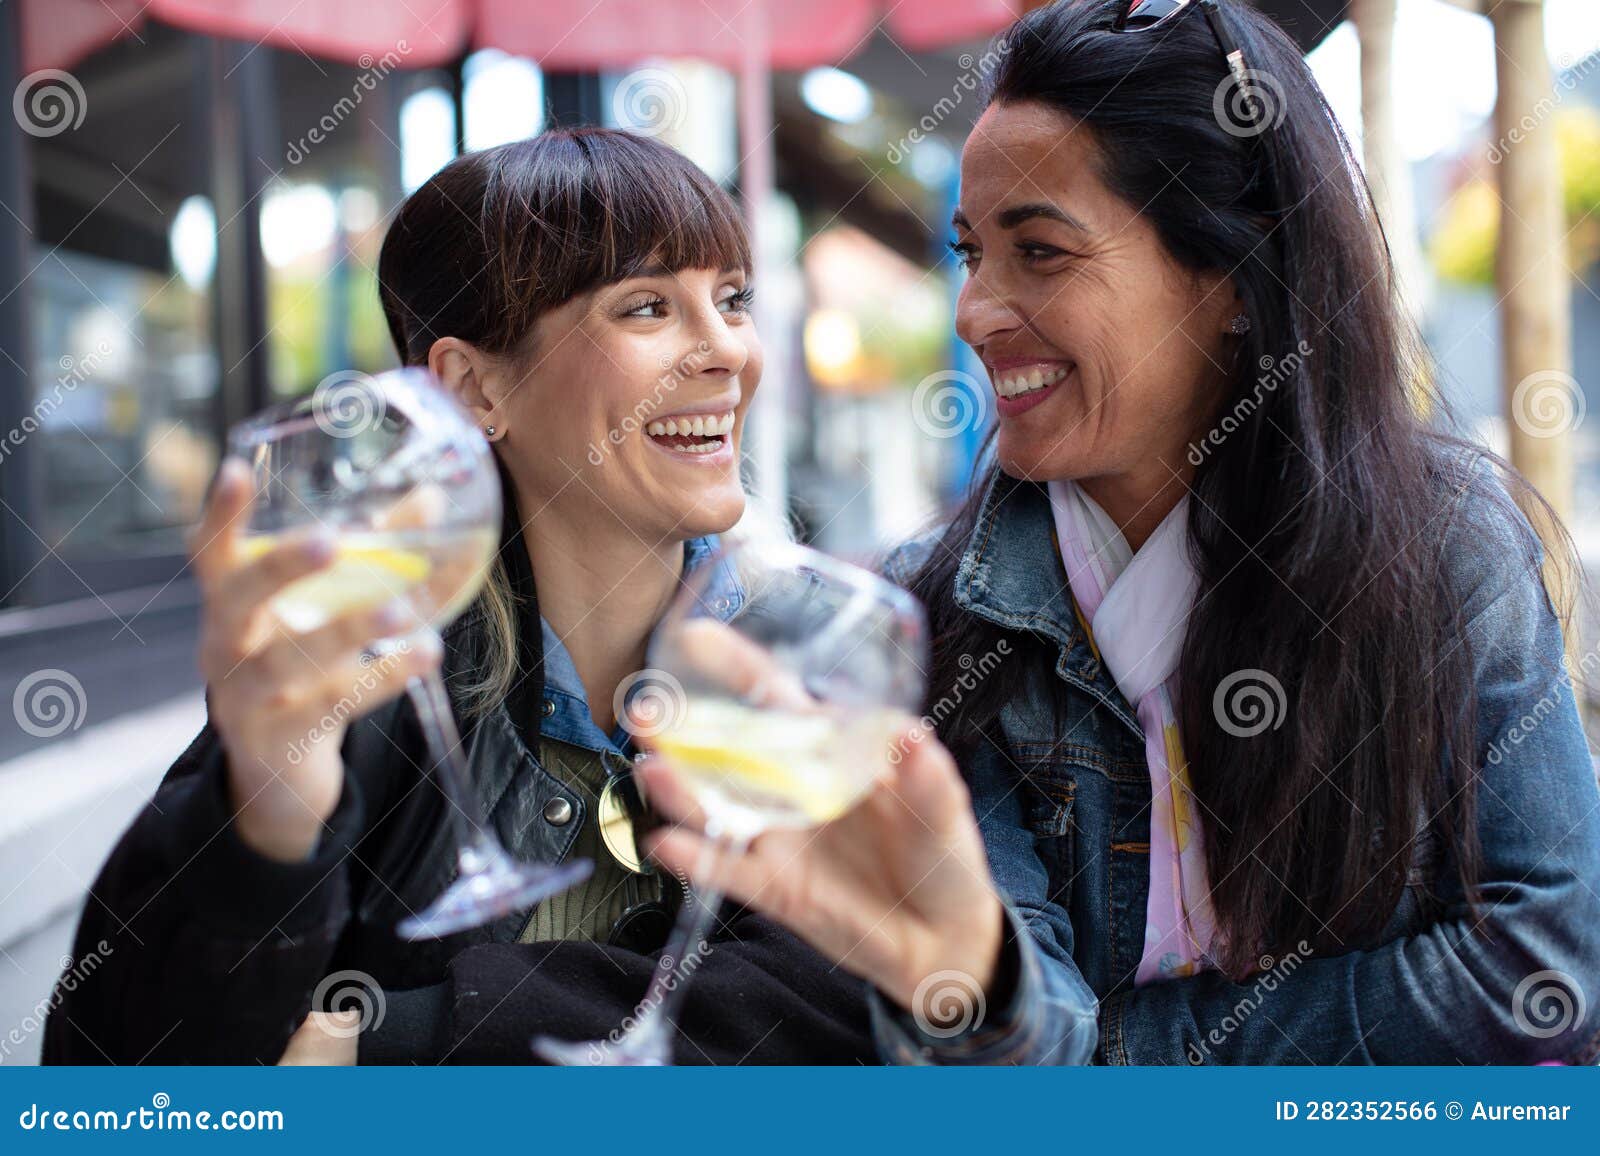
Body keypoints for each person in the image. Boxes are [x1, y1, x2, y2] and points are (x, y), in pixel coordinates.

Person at [641, 0, 1600, 1064]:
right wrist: (979, 973)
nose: (973, 310)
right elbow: (1025, 1045)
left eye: (1039, 252)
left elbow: (1551, 957)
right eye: (969, 253)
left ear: (1235, 276)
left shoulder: (1437, 547)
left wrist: (1122, 1048)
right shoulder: (933, 612)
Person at [42, 128, 874, 1065]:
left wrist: (399, 1036)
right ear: (472, 388)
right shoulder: (369, 682)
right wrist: (267, 827)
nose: (728, 350)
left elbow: (863, 1002)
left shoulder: (812, 650)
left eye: (731, 299)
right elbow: (113, 1083)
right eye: (647, 307)